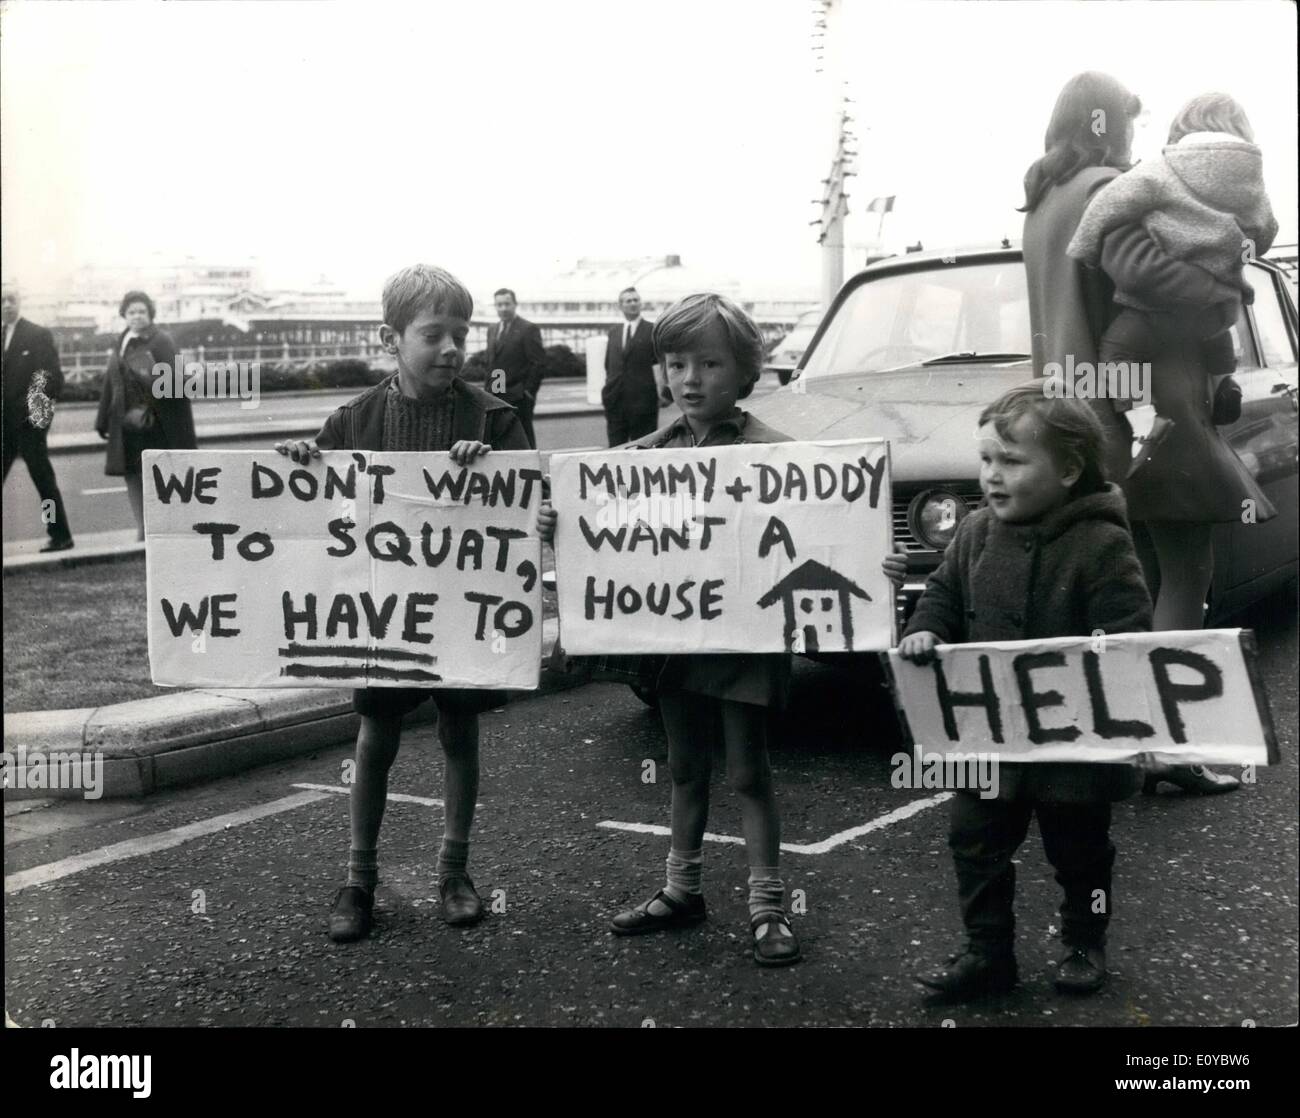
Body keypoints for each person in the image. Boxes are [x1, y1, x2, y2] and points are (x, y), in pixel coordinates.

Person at [538, 293, 801, 967]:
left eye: (709, 363)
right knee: (684, 767)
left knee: (747, 772)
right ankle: (682, 889)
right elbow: (597, 515)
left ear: (744, 371)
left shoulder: (777, 452)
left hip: (743, 637)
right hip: (677, 636)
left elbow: (821, 528)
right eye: (677, 363)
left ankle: (768, 905)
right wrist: (559, 525)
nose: (690, 379)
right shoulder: (647, 454)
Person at [275, 264, 529, 943]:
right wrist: (305, 461)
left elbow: (527, 513)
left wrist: (491, 469)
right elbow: (313, 510)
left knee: (460, 732)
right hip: (383, 613)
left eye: (461, 334)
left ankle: (454, 870)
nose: (452, 349)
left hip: (462, 609)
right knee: (376, 736)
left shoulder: (494, 421)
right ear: (393, 337)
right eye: (433, 335)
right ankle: (358, 878)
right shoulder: (354, 420)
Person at [884, 384, 1153, 1001]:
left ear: (1068, 470)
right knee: (974, 843)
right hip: (988, 739)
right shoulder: (976, 532)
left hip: (1072, 746)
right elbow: (944, 596)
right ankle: (988, 953)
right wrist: (926, 630)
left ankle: (1085, 941)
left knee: (1080, 853)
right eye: (986, 461)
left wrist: (1103, 657)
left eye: (1012, 461)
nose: (993, 477)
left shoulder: (1102, 542)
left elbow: (1130, 631)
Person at [1020, 72, 1246, 796]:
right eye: (1127, 124)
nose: (1135, 140)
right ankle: (1172, 749)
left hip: (1074, 409)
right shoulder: (1108, 187)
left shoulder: (1043, 201)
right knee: (1187, 570)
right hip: (1141, 407)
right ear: (1098, 121)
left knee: (1135, 577)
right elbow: (1147, 284)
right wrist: (1226, 291)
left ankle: (1133, 741)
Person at [95, 291, 197, 541]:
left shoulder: (161, 341)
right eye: (131, 312)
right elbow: (111, 382)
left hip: (154, 422)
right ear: (124, 315)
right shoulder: (122, 341)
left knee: (156, 477)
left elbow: (178, 382)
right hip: (126, 421)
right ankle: (142, 531)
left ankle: (162, 531)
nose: (137, 316)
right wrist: (102, 418)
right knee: (131, 474)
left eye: (142, 311)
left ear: (150, 314)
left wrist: (151, 382)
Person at [2, 284, 74, 552]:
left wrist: (34, 414)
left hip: (28, 422)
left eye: (11, 299)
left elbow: (52, 377)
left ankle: (60, 535)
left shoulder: (36, 335)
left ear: (20, 301)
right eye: (2, 301)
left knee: (43, 480)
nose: (7, 305)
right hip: (3, 425)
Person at [601, 287, 665, 446]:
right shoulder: (614, 332)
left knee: (642, 450)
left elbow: (661, 364)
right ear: (621, 306)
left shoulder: (652, 330)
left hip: (643, 403)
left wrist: (663, 393)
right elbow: (609, 365)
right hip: (615, 403)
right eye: (628, 301)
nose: (633, 303)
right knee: (615, 450)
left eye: (636, 300)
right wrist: (608, 394)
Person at [484, 287, 545, 448]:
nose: (503, 308)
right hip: (496, 394)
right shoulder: (492, 330)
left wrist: (528, 392)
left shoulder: (528, 329)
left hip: (519, 397)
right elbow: (492, 363)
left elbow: (538, 363)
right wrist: (488, 391)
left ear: (515, 304)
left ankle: (531, 472)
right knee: (497, 441)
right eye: (499, 305)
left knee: (523, 440)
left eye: (507, 304)